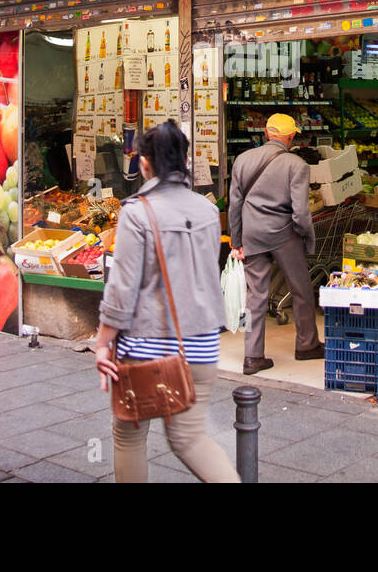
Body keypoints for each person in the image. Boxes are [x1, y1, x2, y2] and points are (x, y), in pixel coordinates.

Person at [94, 121, 239, 484]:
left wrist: (102, 342)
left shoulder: (137, 213)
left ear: (145, 163)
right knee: (189, 438)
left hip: (147, 349)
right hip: (202, 348)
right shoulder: (207, 212)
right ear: (185, 159)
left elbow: (122, 289)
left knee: (129, 434)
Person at [228, 112, 321, 375]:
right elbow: (301, 212)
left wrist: (237, 241)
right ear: (290, 137)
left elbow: (235, 205)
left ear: (267, 133)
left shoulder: (243, 160)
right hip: (284, 234)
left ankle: (252, 357)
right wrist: (306, 237)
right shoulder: (296, 164)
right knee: (301, 289)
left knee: (255, 296)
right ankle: (306, 345)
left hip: (252, 234)